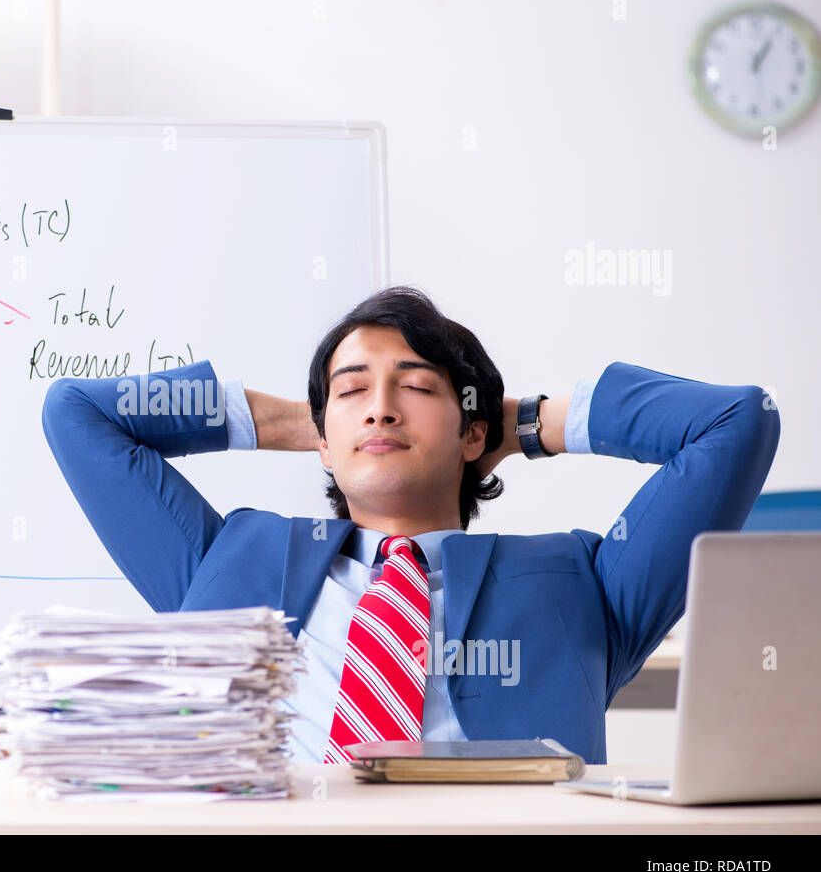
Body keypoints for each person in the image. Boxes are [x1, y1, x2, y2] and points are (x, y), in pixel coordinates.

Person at [40, 286, 781, 764]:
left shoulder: (586, 581)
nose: (381, 405)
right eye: (354, 390)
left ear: (470, 431)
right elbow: (78, 413)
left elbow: (737, 421)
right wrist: (309, 421)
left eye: (418, 386)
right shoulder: (228, 559)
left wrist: (524, 422)